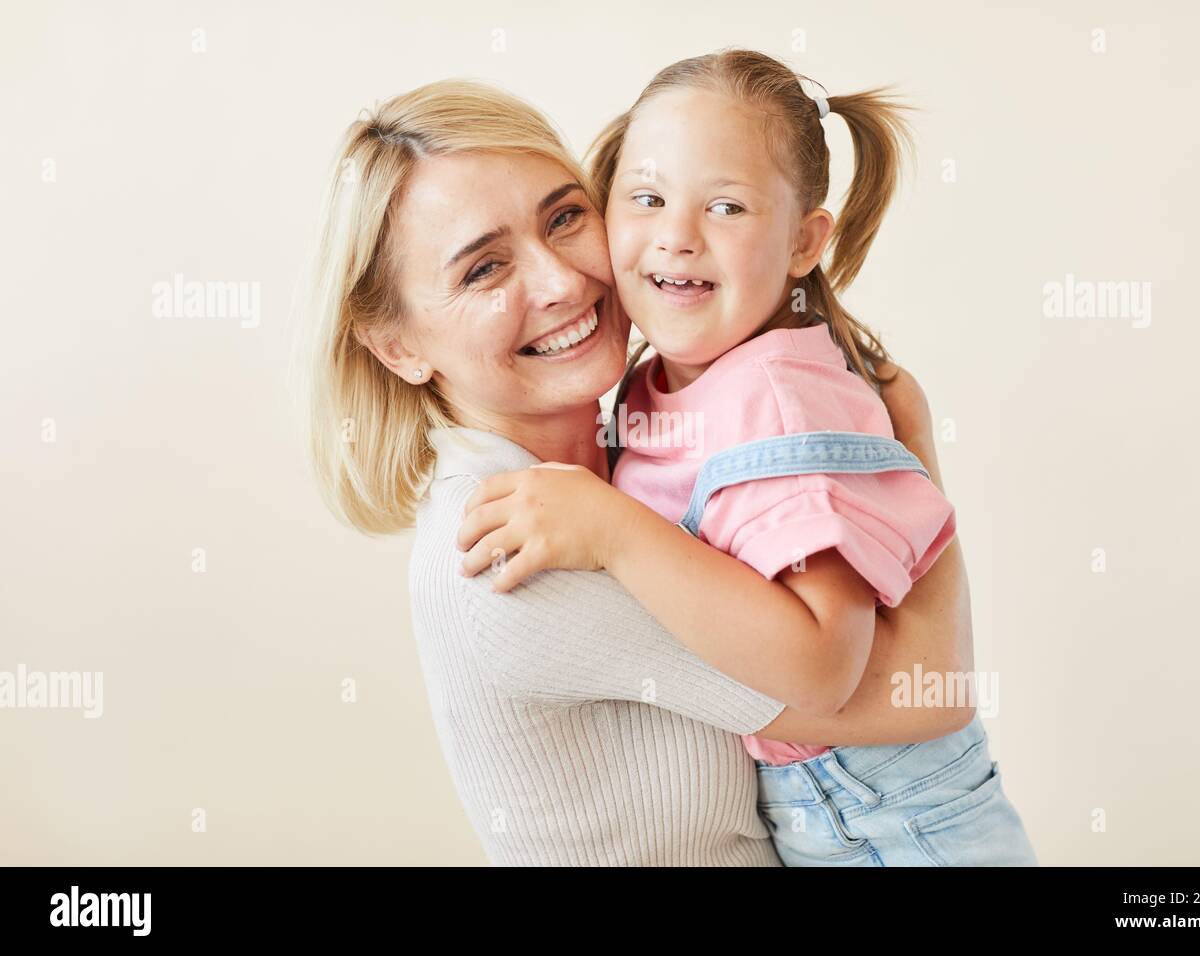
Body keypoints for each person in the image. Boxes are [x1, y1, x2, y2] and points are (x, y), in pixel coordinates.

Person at [300, 77, 982, 865]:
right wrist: (908, 444)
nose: (562, 282)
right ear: (397, 347)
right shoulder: (505, 555)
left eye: (563, 218)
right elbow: (925, 690)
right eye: (483, 270)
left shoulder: (634, 445)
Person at [458, 51, 1037, 867]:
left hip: (888, 820)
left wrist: (613, 532)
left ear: (804, 242)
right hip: (834, 809)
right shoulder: (662, 381)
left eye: (726, 207)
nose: (678, 237)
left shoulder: (774, 400)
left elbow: (825, 666)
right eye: (648, 199)